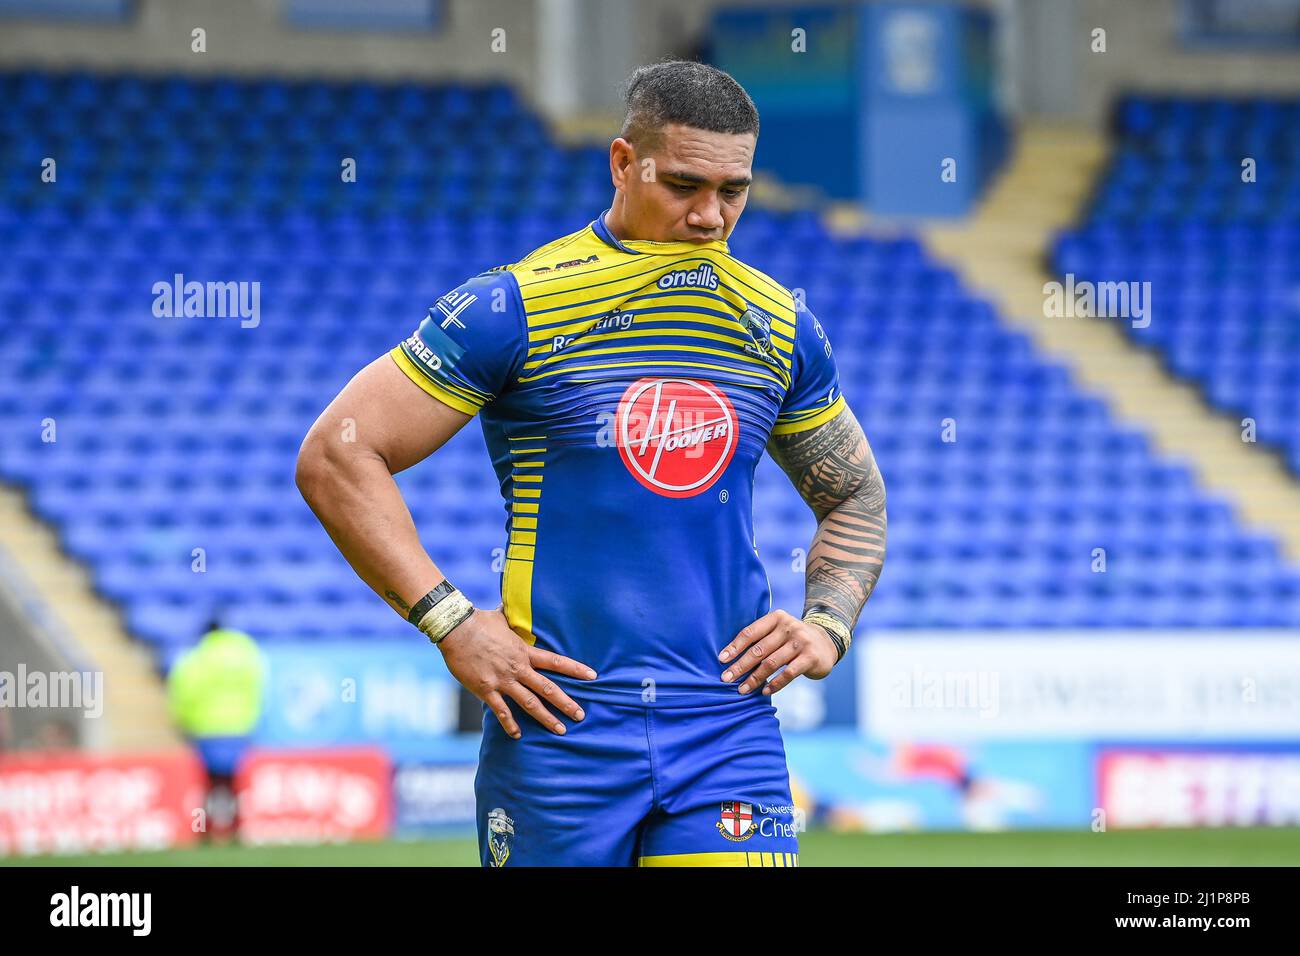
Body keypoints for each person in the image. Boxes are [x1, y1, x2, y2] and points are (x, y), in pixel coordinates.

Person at [296, 59, 886, 867]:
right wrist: (450, 621)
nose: (711, 216)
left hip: (726, 729)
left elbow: (855, 496)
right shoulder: (515, 307)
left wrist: (827, 624)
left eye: (735, 191)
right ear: (622, 163)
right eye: (684, 185)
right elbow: (338, 454)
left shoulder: (781, 324)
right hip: (558, 733)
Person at [166, 617, 267, 842]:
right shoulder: (245, 653)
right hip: (239, 726)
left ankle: (206, 831)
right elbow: (257, 686)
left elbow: (184, 690)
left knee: (209, 782)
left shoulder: (196, 656)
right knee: (233, 781)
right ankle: (237, 829)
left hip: (206, 727)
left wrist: (183, 720)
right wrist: (251, 719)